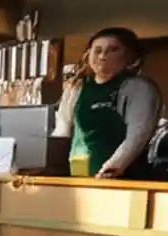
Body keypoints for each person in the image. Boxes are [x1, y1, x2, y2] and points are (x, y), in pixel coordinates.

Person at [53, 27, 162, 178]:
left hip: (125, 178)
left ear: (130, 55)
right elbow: (62, 130)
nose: (103, 56)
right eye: (97, 50)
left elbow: (138, 134)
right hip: (80, 176)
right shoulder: (77, 88)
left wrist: (113, 167)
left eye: (113, 50)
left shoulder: (138, 88)